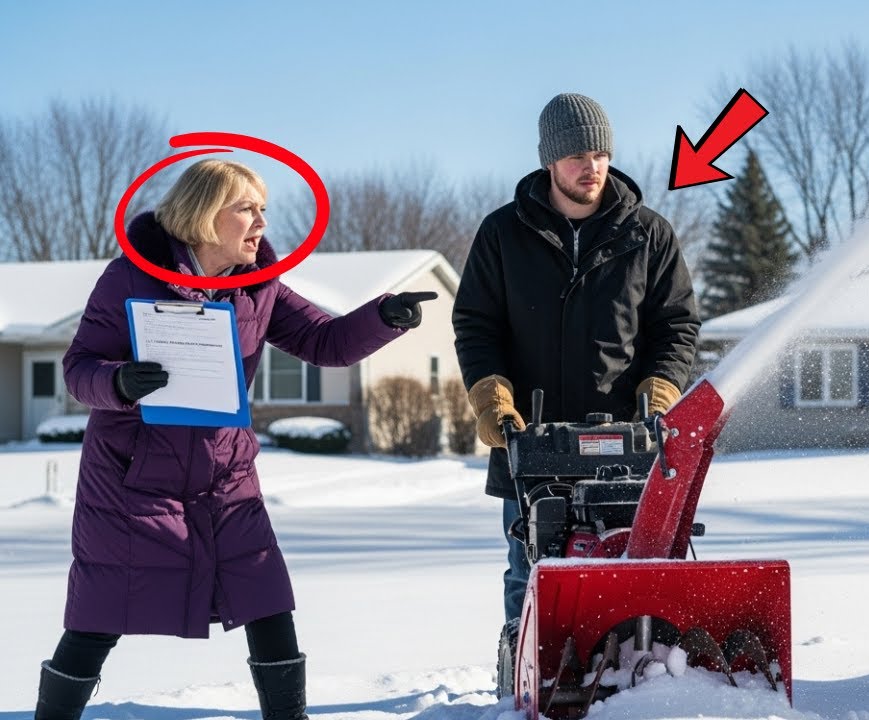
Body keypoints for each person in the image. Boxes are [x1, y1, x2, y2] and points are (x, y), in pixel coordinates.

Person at [33, 159, 436, 720]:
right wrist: (119, 380)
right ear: (203, 215)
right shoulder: (127, 277)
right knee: (98, 614)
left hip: (226, 477)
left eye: (263, 210)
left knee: (267, 600)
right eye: (247, 209)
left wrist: (383, 317)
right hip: (132, 480)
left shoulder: (259, 286)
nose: (260, 223)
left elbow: (325, 343)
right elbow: (80, 370)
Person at [452, 93, 701, 627]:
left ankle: (622, 681)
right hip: (530, 441)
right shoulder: (502, 233)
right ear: (549, 161)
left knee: (631, 568)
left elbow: (676, 325)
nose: (590, 168)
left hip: (627, 441)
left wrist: (661, 389)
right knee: (527, 571)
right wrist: (492, 399)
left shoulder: (648, 233)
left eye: (599, 155)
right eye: (576, 157)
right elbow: (476, 324)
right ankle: (520, 697)